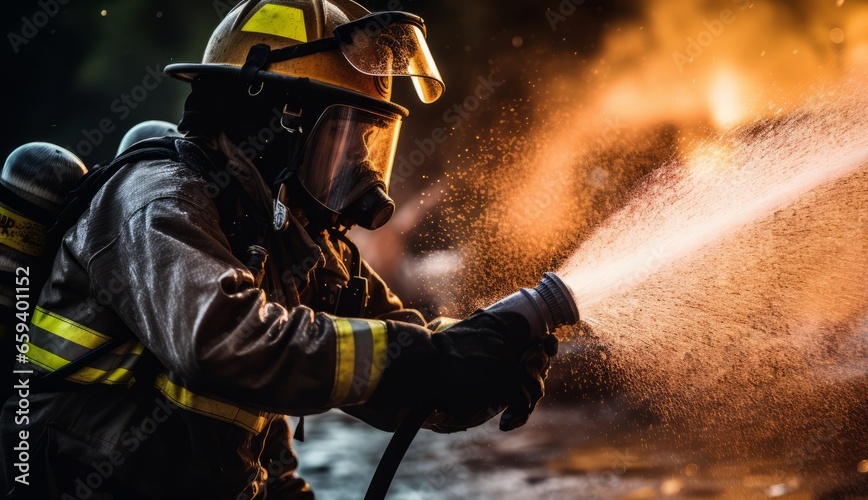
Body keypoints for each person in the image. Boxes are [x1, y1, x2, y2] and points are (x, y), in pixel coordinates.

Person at [1, 1, 557, 498]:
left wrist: (489, 357)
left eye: (370, 143)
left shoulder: (295, 243)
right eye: (346, 138)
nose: (362, 170)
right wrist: (429, 359)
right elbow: (222, 342)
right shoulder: (158, 200)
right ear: (277, 119)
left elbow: (404, 375)